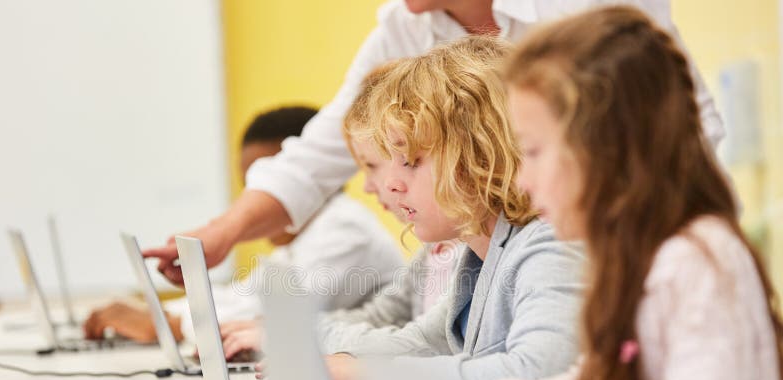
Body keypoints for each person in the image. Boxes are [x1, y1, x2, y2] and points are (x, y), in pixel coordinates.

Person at [143, 0, 723, 287]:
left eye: (411, 160)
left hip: (640, 248)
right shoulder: (406, 25)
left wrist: (658, 264)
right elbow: (319, 152)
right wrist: (221, 235)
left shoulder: (583, 10)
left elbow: (683, 130)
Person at [465, 6, 783, 380]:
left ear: (607, 148)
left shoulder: (698, 261)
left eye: (534, 151)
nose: (522, 180)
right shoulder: (635, 256)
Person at [277, 36, 585, 380]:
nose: (390, 183)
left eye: (410, 161)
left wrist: (365, 374)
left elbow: (537, 372)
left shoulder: (550, 242)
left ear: (480, 155)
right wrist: (307, 345)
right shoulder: (482, 256)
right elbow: (421, 344)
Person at [84, 106, 403, 344]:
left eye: (267, 187)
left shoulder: (344, 229)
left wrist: (164, 323)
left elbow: (275, 317)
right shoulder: (299, 239)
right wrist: (153, 313)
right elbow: (241, 298)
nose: (255, 200)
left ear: (307, 178)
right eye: (250, 187)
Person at [220, 65, 461, 360]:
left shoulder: (345, 228)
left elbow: (427, 343)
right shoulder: (431, 251)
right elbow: (381, 317)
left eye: (408, 161)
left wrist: (291, 336)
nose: (371, 186)